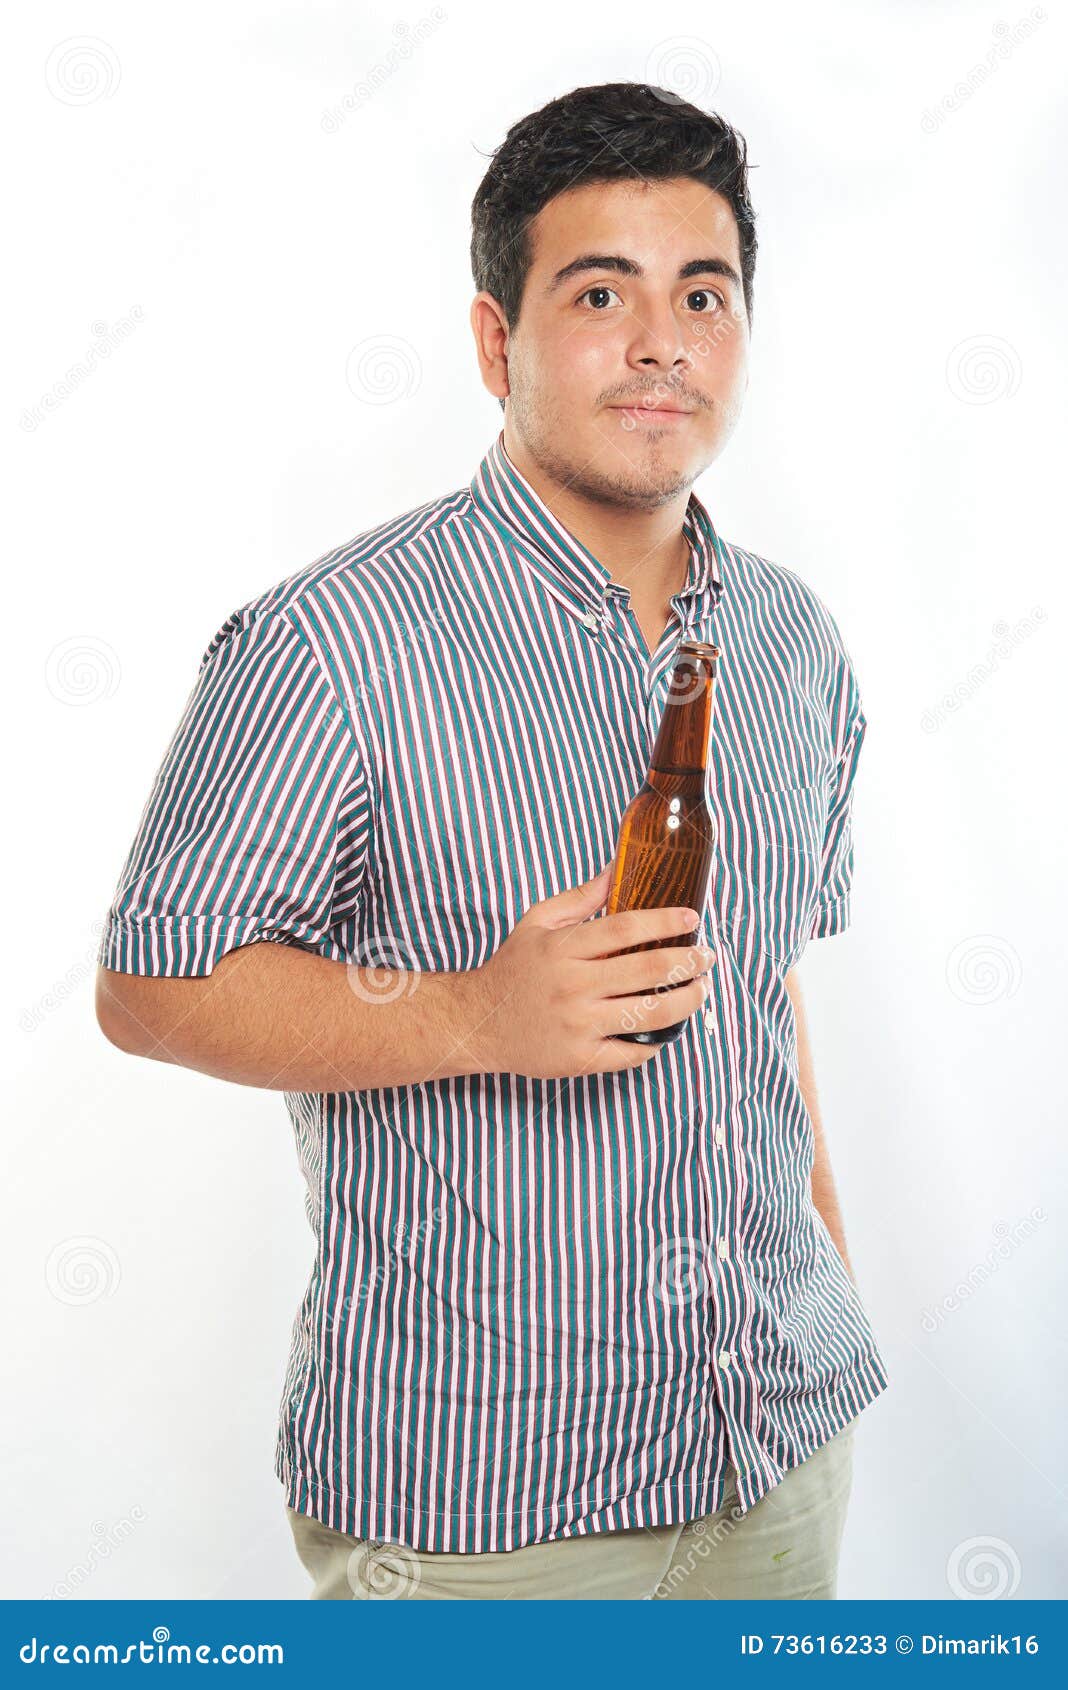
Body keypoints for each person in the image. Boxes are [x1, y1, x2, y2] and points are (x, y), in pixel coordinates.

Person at [95, 81, 887, 1600]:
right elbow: (150, 987)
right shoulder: (331, 642)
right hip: (487, 1509)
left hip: (782, 1451)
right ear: (494, 342)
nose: (664, 339)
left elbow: (765, 986)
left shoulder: (795, 641)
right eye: (602, 292)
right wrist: (473, 1012)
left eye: (702, 294)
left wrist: (829, 1288)